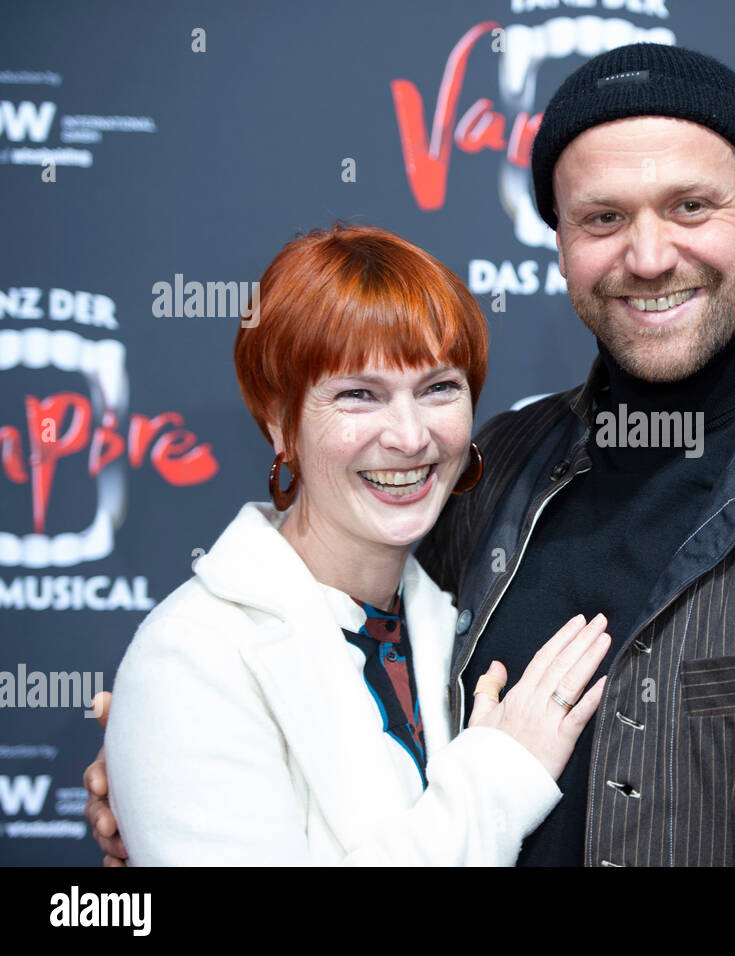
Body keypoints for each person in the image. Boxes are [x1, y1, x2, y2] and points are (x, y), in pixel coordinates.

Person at [89, 43, 735, 866]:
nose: (649, 256)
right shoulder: (494, 471)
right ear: (562, 246)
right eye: (603, 219)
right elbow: (347, 683)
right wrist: (178, 762)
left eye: (691, 205)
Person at [96, 223, 610, 865]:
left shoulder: (457, 619)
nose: (409, 436)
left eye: (438, 388)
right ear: (280, 422)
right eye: (358, 395)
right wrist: (501, 778)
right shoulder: (193, 655)